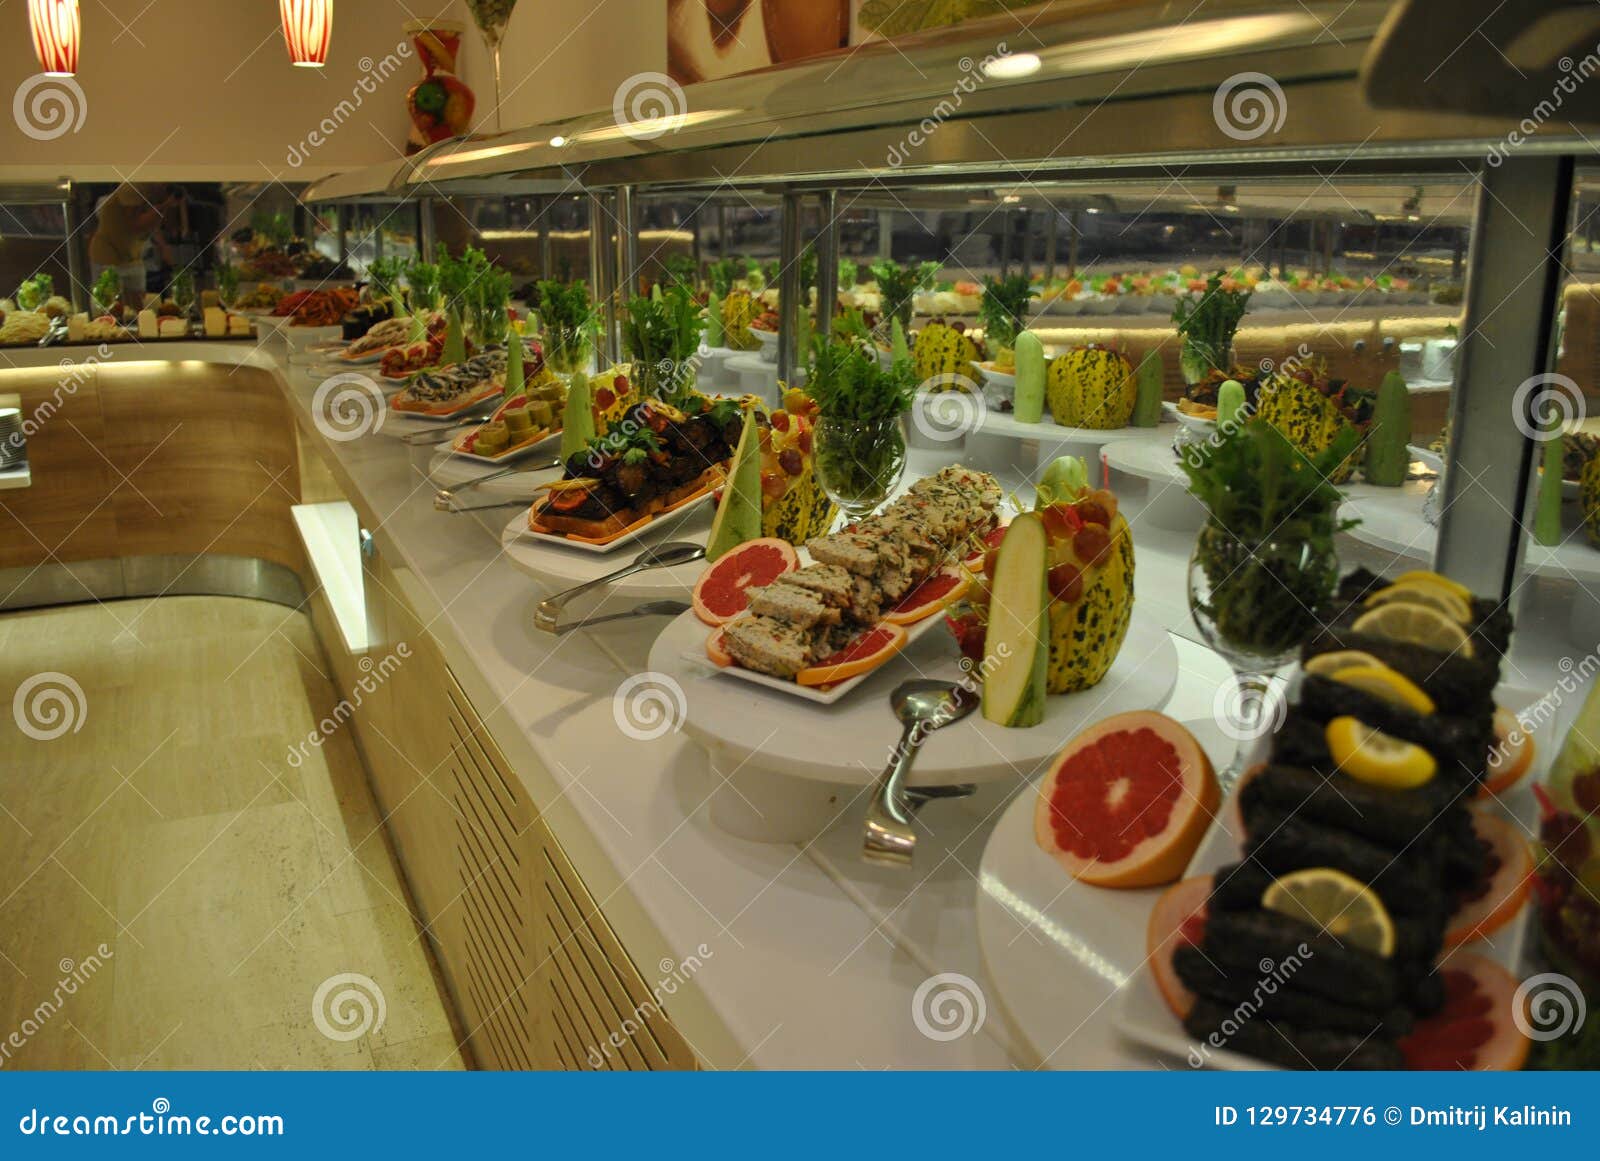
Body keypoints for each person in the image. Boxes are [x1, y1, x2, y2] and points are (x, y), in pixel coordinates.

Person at [89, 183, 177, 306]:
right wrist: (166, 204)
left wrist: (163, 246)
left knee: (138, 306)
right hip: (108, 256)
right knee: (110, 306)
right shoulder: (132, 188)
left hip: (133, 256)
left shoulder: (151, 194)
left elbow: (152, 226)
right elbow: (135, 225)